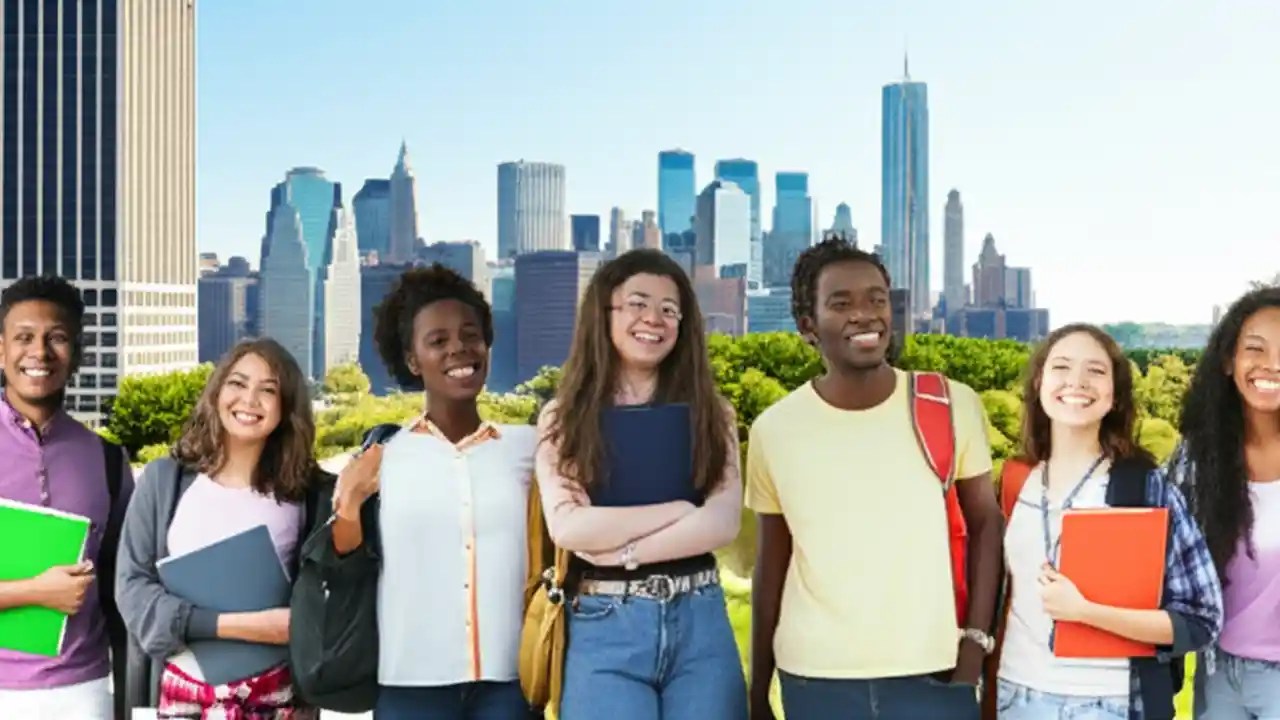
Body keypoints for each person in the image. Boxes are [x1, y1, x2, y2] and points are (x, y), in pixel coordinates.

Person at [745, 237, 1004, 720]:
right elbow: (772, 564)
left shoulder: (950, 405)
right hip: (814, 677)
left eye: (877, 300)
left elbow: (987, 525)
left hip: (936, 675)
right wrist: (758, 689)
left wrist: (974, 648)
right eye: (840, 304)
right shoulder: (774, 430)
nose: (864, 314)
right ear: (807, 326)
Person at [534, 248, 745, 720]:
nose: (654, 318)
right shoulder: (562, 418)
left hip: (701, 624)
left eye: (670, 310)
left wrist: (624, 552)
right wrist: (677, 512)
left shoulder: (715, 413)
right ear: (604, 312)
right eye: (638, 303)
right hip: (603, 626)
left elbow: (722, 522)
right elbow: (569, 528)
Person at [325, 264, 539, 720]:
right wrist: (348, 504)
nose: (459, 349)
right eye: (437, 341)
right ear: (412, 360)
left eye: (470, 335)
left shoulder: (528, 448)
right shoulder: (384, 455)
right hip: (410, 688)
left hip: (510, 684)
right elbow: (346, 564)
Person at [990, 323, 1222, 720]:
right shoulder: (1015, 480)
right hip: (1018, 696)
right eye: (1061, 367)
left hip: (1111, 703)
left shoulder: (1146, 487)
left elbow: (1202, 617)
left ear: (1115, 396)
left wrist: (1085, 612)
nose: (1076, 382)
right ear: (1038, 384)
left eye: (1096, 371)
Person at [115, 338, 327, 718]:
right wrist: (236, 625)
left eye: (269, 390)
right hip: (180, 697)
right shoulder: (164, 482)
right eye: (238, 383)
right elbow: (132, 591)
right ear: (216, 392)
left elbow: (327, 599)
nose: (249, 400)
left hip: (274, 700)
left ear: (286, 407)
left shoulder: (308, 496)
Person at [0, 276, 134, 719]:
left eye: (56, 338)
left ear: (76, 354)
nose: (39, 351)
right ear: (1, 350)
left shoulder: (108, 461)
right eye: (24, 337)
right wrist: (34, 592)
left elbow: (124, 587)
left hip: (86, 690)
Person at [1172, 287, 1280, 719]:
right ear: (1227, 360)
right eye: (1255, 348)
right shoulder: (1196, 458)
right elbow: (1156, 541)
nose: (1272, 363)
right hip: (1218, 673)